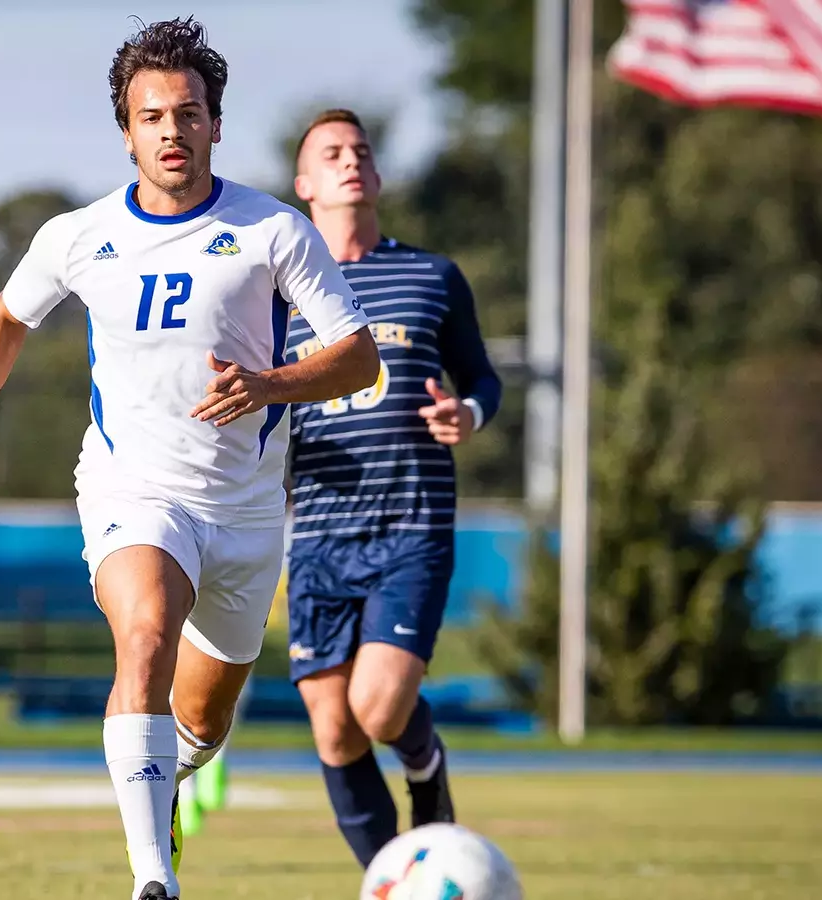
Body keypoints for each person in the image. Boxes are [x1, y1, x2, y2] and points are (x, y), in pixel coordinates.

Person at [0, 18, 379, 900]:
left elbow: (360, 358)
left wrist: (270, 384)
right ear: (126, 131)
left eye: (190, 113)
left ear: (216, 124)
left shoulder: (274, 231)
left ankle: (170, 785)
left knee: (202, 721)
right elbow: (5, 319)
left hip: (245, 510)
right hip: (134, 489)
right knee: (143, 640)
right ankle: (151, 880)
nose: (173, 130)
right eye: (153, 116)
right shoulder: (77, 235)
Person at [283, 109, 503, 869]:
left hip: (411, 526)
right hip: (315, 536)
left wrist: (467, 412)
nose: (351, 162)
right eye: (331, 153)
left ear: (376, 178)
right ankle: (393, 881)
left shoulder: (430, 276)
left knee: (378, 711)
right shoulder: (274, 293)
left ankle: (425, 762)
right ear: (303, 185)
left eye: (362, 152)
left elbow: (481, 377)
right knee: (334, 729)